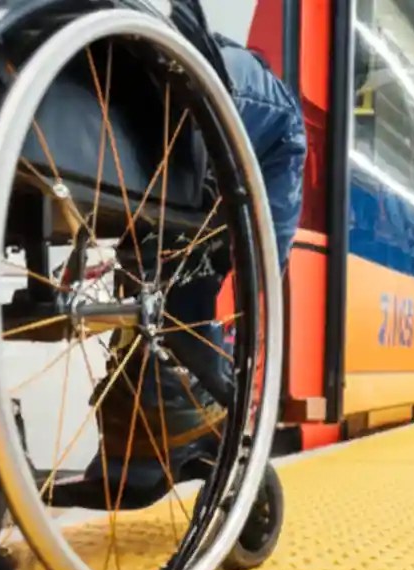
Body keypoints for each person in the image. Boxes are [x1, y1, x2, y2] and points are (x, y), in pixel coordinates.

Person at [50, 2, 307, 509]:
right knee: (202, 272)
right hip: (159, 70)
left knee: (165, 263)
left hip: (61, 65)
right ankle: (177, 421)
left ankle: (146, 440)